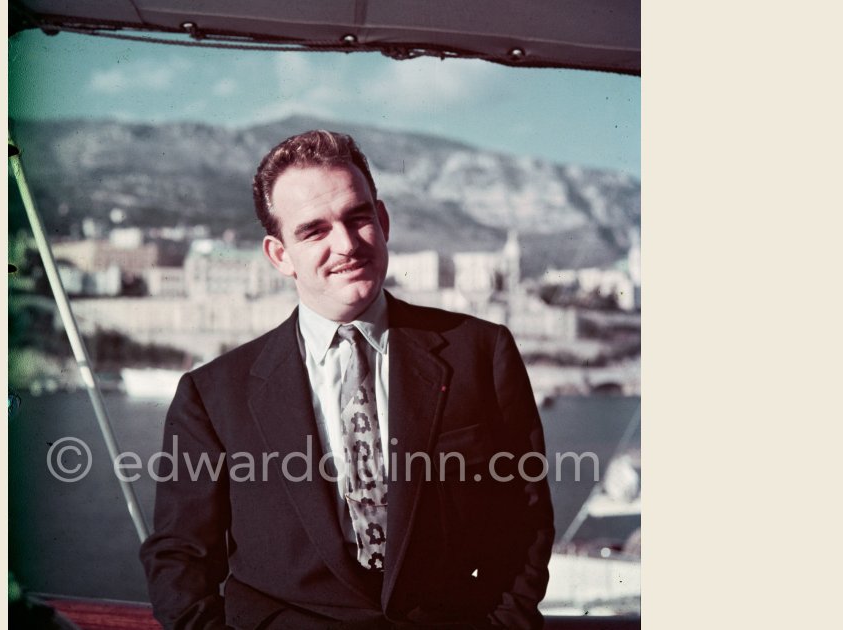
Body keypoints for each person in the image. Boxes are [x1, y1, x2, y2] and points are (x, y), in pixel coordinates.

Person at [140, 130, 553, 629]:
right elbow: (180, 558)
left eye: (358, 218)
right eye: (314, 231)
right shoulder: (213, 395)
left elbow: (524, 519)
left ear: (383, 221)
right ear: (279, 255)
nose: (346, 244)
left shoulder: (480, 354)